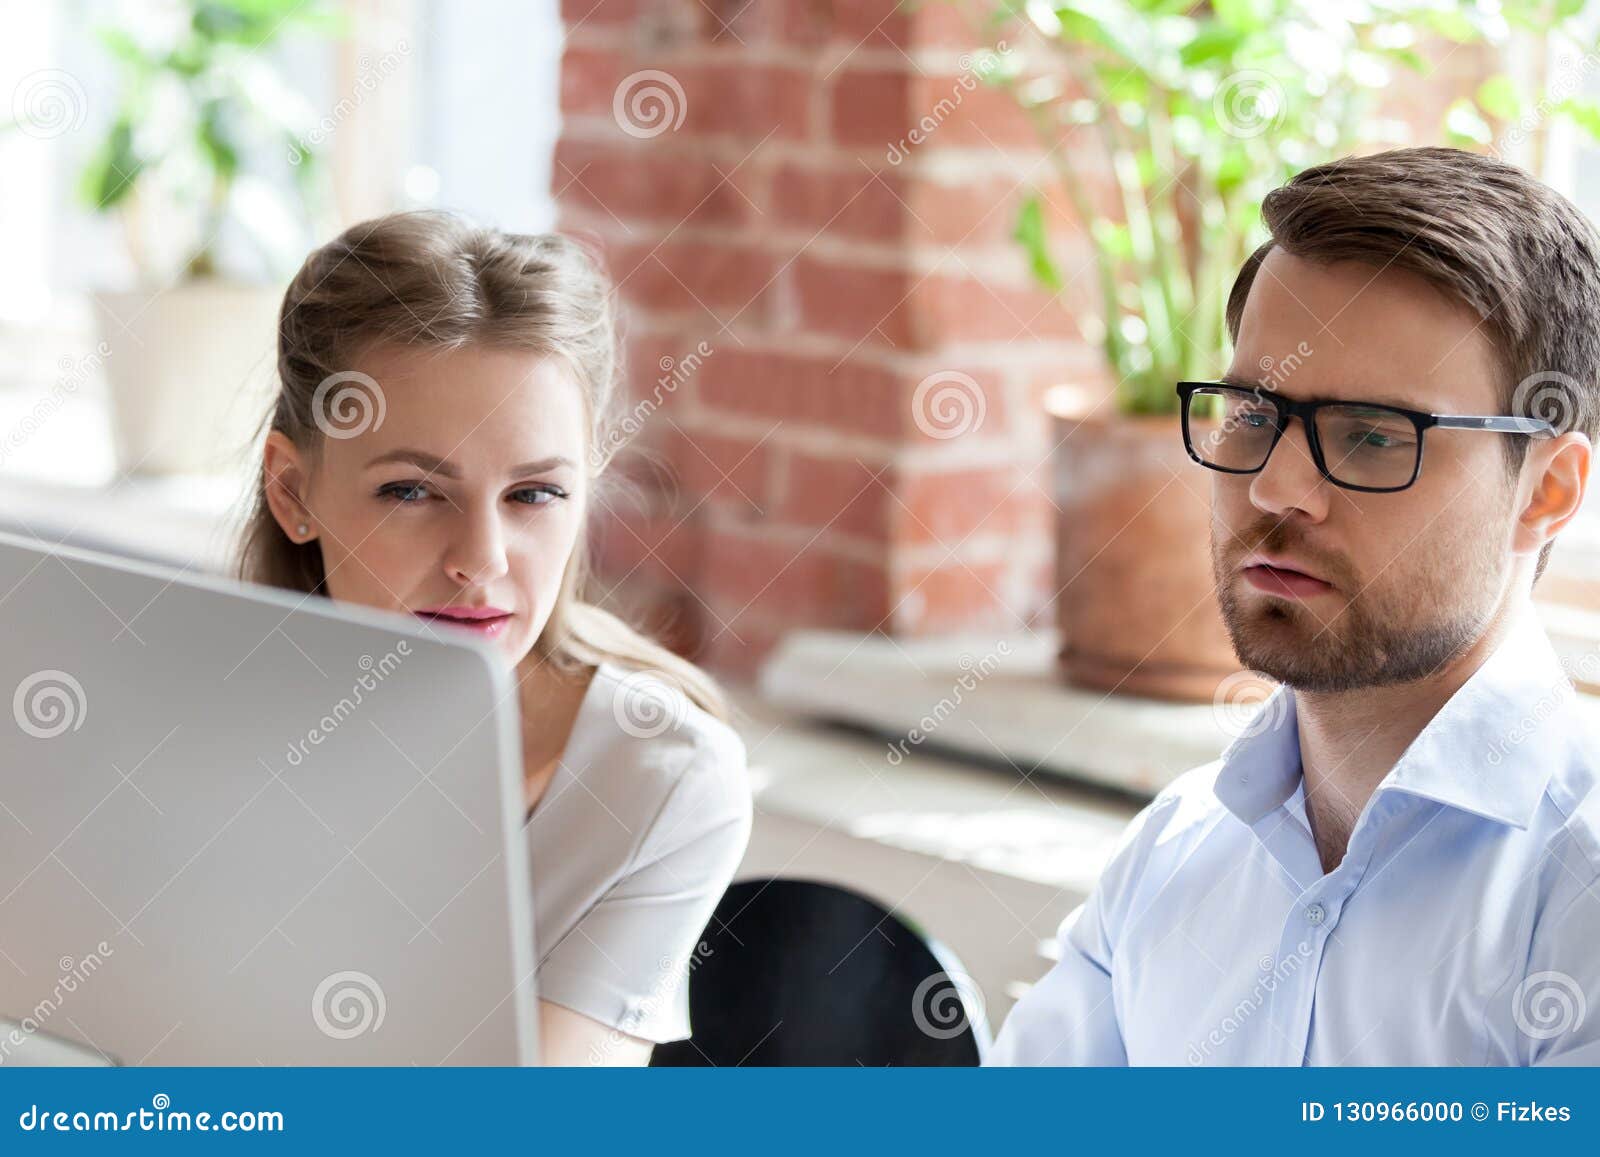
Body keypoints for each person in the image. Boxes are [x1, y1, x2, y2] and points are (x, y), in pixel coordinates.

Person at [992, 147, 1600, 1065]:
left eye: (1372, 436)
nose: (1276, 489)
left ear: (1547, 491)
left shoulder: (1576, 893)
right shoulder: (1173, 852)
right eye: (1251, 413)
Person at [236, 211, 751, 1065]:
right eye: (411, 491)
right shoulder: (194, 716)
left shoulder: (654, 777)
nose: (480, 560)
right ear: (294, 492)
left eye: (535, 495)